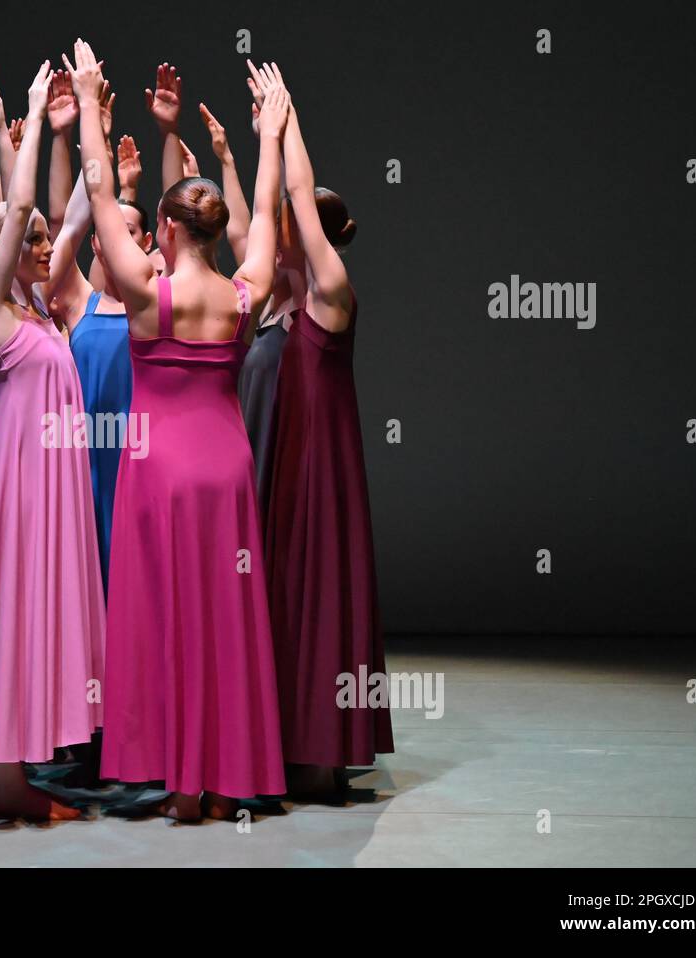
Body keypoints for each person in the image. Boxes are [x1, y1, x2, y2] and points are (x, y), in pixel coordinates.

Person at [70, 39, 288, 821]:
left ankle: (179, 785)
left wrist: (96, 106)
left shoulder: (140, 288)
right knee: (222, 620)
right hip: (223, 467)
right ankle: (227, 777)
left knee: (162, 616)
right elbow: (266, 213)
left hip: (156, 471)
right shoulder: (243, 294)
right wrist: (271, 135)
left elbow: (98, 194)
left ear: (163, 227)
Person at [0, 61, 105, 822]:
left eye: (42, 240)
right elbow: (17, 212)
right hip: (16, 488)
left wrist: (86, 124)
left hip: (50, 486)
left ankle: (15, 776)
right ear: (2, 255)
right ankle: (9, 788)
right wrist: (34, 114)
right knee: (12, 617)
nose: (44, 245)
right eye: (29, 242)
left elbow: (73, 212)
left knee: (38, 617)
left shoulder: (41, 306)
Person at [252, 60, 394, 799]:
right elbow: (284, 202)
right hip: (293, 464)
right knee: (288, 594)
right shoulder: (288, 307)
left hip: (325, 474)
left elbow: (299, 198)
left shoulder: (333, 292)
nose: (284, 235)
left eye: (293, 231)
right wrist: (266, 138)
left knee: (324, 594)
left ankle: (323, 749)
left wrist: (288, 119)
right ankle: (296, 743)